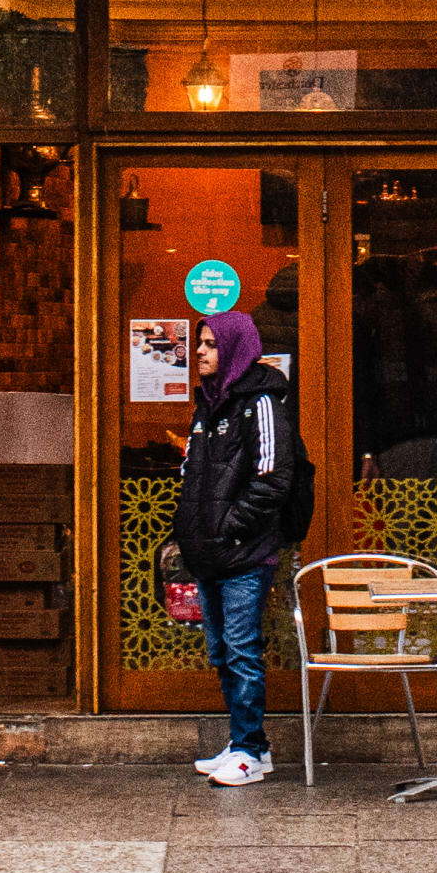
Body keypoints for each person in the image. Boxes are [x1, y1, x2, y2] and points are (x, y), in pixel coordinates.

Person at [175, 310, 311, 787]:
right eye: (200, 343)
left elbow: (273, 478)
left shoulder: (262, 403)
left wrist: (231, 528)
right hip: (210, 553)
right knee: (221, 652)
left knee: (242, 651)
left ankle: (251, 750)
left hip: (244, 553)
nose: (199, 352)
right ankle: (242, 743)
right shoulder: (209, 406)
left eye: (210, 344)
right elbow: (193, 476)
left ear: (233, 348)